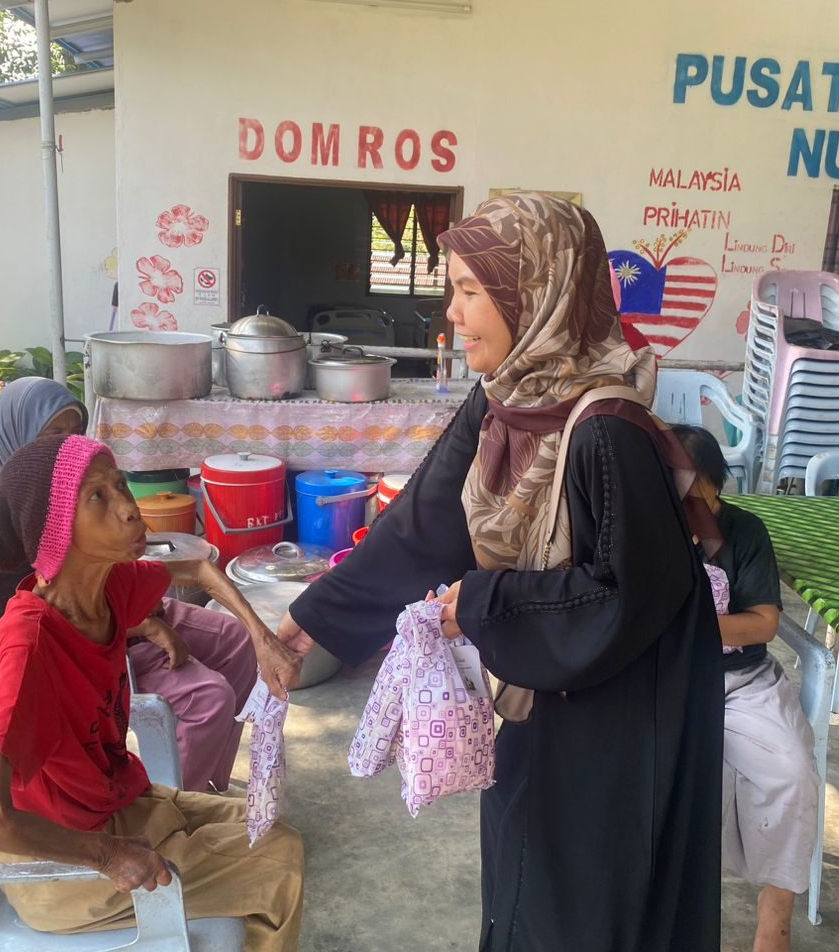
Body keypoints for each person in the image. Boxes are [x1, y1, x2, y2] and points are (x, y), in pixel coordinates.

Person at [278, 194, 725, 951]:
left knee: (587, 901)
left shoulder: (607, 434)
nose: (451, 313)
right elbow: (424, 522)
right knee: (525, 875)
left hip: (621, 725)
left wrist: (481, 603)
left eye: (470, 291)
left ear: (537, 291)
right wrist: (310, 620)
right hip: (543, 688)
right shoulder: (504, 400)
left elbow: (622, 604)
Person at [0, 434, 303, 950]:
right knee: (279, 863)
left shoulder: (110, 587)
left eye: (121, 485)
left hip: (117, 805)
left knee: (270, 824)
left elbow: (197, 569)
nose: (129, 510)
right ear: (57, 530)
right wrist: (108, 856)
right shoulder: (30, 640)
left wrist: (264, 641)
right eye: (97, 497)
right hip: (61, 868)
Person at [0, 377, 258, 792]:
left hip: (122, 603)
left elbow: (181, 570)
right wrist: (146, 625)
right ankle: (176, 801)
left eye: (74, 431)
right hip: (102, 635)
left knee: (236, 640)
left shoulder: (76, 499)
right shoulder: (4, 530)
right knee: (210, 698)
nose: (67, 446)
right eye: (53, 434)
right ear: (16, 435)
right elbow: (36, 618)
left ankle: (209, 781)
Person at [673, 424, 819, 952]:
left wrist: (683, 625)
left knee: (793, 771)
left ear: (718, 485)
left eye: (701, 492)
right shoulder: (637, 532)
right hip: (661, 684)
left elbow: (761, 623)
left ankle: (775, 915)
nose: (691, 506)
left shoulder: (745, 532)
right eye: (675, 491)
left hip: (741, 681)